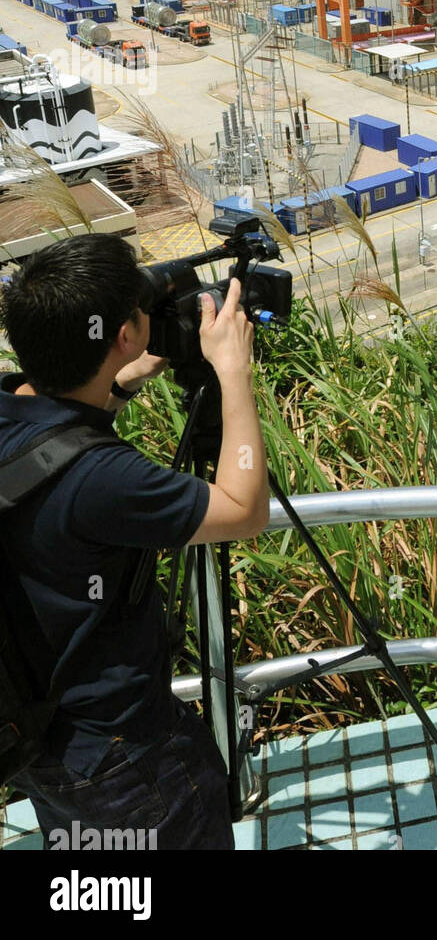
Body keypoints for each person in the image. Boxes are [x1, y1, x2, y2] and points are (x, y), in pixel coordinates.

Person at [0, 234, 268, 850]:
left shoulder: (9, 404)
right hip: (126, 759)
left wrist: (114, 389)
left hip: (39, 739)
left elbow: (45, 457)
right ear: (125, 336)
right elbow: (243, 509)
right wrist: (232, 373)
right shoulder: (105, 480)